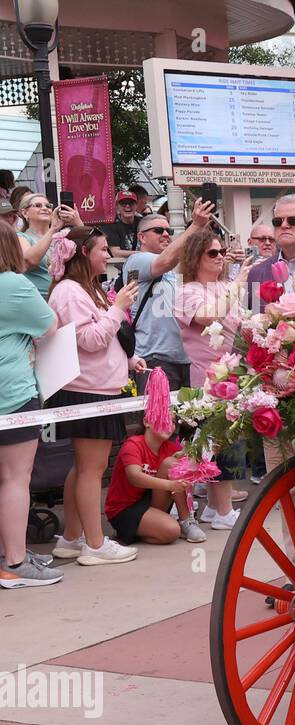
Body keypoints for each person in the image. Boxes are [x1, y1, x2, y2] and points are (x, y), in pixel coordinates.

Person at [45, 226, 143, 566]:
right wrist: (118, 307)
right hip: (87, 391)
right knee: (92, 469)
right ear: (84, 252)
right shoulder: (70, 291)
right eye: (102, 249)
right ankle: (96, 544)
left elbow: (103, 339)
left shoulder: (88, 289)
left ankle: (73, 538)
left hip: (99, 387)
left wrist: (129, 359)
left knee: (84, 466)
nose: (108, 254)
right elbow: (90, 341)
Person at [175, 230, 253, 530]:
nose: (220, 257)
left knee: (226, 440)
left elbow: (240, 321)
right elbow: (209, 317)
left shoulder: (223, 286)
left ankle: (213, 507)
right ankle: (221, 511)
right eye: (212, 253)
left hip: (231, 372)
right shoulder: (186, 291)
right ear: (195, 257)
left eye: (222, 252)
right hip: (206, 378)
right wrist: (238, 284)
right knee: (216, 441)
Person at [0, 221, 63, 587]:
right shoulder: (13, 283)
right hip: (12, 390)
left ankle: (12, 551)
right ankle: (16, 562)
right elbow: (49, 325)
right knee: (15, 479)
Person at [103, 369, 206, 547]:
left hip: (152, 502)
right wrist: (169, 485)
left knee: (173, 463)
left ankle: (186, 520)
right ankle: (136, 530)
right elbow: (134, 477)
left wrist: (205, 453)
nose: (170, 425)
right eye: (163, 418)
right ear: (146, 422)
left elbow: (188, 470)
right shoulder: (133, 444)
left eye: (173, 421)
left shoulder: (171, 447)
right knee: (170, 532)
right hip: (124, 508)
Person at [122, 204, 215, 392]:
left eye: (168, 230)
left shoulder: (177, 266)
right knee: (159, 420)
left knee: (187, 420)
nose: (166, 234)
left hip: (187, 357)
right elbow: (163, 261)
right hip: (155, 357)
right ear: (142, 237)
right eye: (158, 230)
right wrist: (195, 225)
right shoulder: (135, 261)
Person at [17, 193, 81, 297]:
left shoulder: (62, 236)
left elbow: (89, 251)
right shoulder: (20, 237)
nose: (45, 208)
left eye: (48, 206)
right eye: (38, 205)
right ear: (25, 213)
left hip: (67, 297)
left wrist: (78, 223)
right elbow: (30, 260)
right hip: (39, 299)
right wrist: (53, 229)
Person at [103, 190, 143, 259]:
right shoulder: (110, 225)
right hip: (118, 267)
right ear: (117, 206)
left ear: (136, 205)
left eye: (131, 203)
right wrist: (144, 253)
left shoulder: (143, 222)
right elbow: (116, 253)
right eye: (123, 203)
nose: (127, 206)